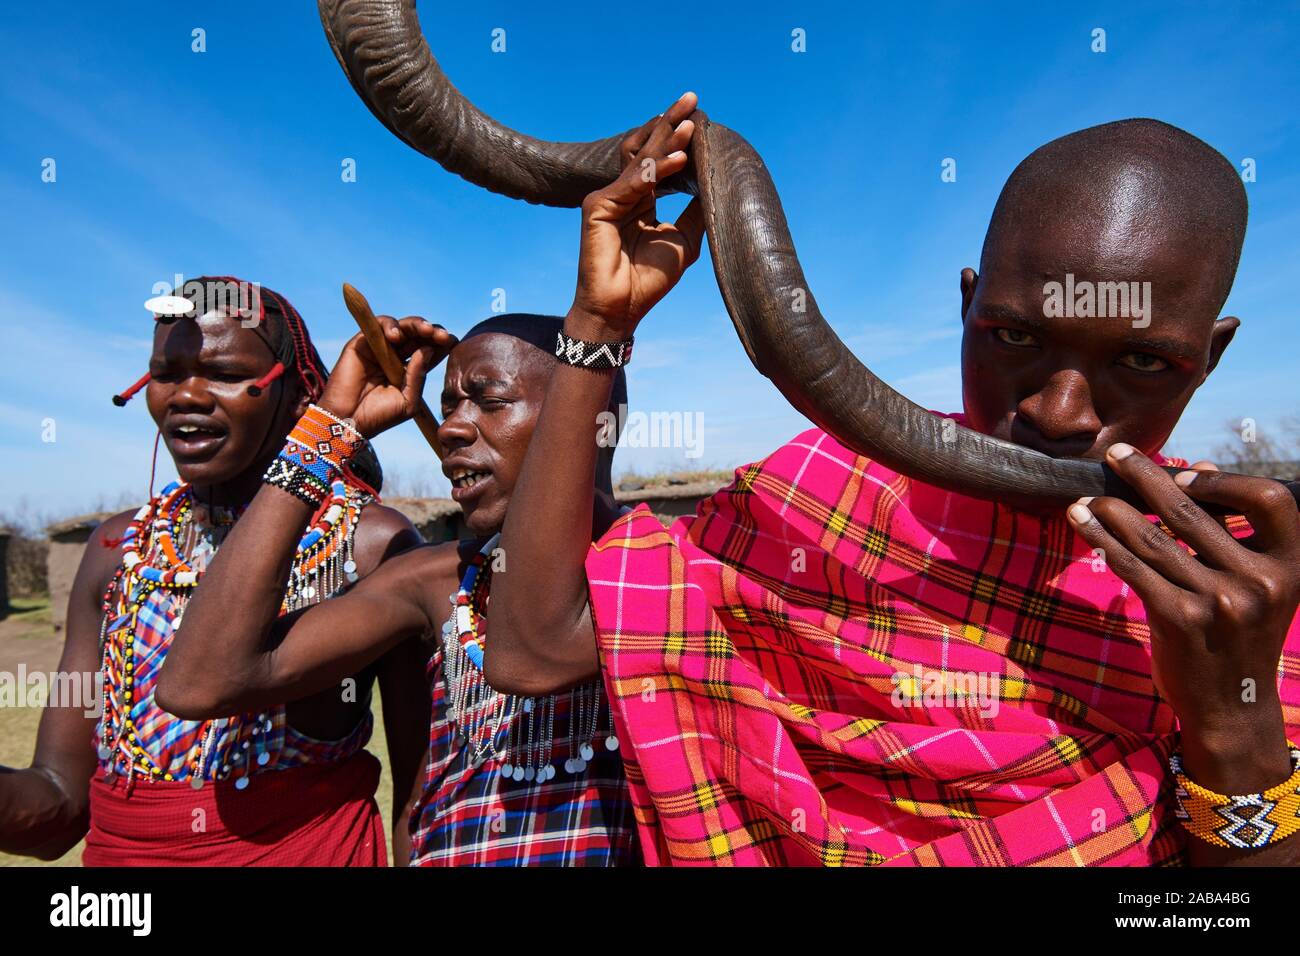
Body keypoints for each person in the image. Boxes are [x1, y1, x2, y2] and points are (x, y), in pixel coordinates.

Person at [487, 115, 1300, 866]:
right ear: (966, 304)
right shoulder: (824, 491)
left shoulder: (1236, 590)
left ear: (1212, 356)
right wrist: (598, 326)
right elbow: (536, 648)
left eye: (1145, 362)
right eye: (1015, 337)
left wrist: (1235, 720)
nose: (1060, 414)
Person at [156, 91, 700, 865]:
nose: (448, 427)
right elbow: (201, 680)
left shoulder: (664, 569)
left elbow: (537, 647)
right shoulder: (435, 582)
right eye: (446, 403)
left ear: (588, 410)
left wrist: (597, 331)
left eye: (489, 400)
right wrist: (328, 433)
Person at [0, 277, 428, 866]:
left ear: (303, 396)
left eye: (224, 374)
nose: (186, 396)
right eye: (167, 373)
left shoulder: (368, 544)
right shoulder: (117, 550)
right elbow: (58, 808)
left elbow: (419, 801)